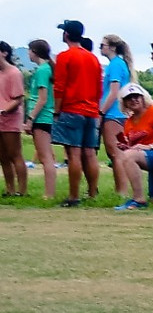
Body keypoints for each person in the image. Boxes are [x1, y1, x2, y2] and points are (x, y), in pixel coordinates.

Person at [50, 19, 103, 207]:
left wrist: (57, 111)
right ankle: (92, 193)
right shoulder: (93, 58)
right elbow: (99, 88)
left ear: (66, 35)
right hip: (91, 110)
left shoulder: (65, 56)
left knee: (73, 154)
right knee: (89, 153)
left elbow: (60, 86)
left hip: (72, 108)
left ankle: (73, 197)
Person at [97, 35, 133, 198]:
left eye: (102, 45)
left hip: (113, 113)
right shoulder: (118, 64)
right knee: (117, 152)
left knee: (116, 153)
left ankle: (122, 191)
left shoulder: (115, 65)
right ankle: (122, 189)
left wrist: (101, 112)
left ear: (112, 47)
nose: (100, 48)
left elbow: (113, 92)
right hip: (117, 113)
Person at [25, 40, 57, 200]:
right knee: (47, 155)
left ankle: (49, 194)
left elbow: (42, 99)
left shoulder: (42, 71)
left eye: (30, 50)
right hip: (44, 117)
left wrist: (31, 118)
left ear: (35, 51)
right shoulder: (45, 69)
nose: (28, 53)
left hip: (42, 117)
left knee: (45, 157)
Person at [0, 42, 25, 197]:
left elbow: (18, 98)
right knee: (2, 156)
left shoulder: (14, 73)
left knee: (14, 154)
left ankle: (22, 190)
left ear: (4, 53)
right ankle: (9, 188)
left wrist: (4, 110)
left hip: (10, 119)